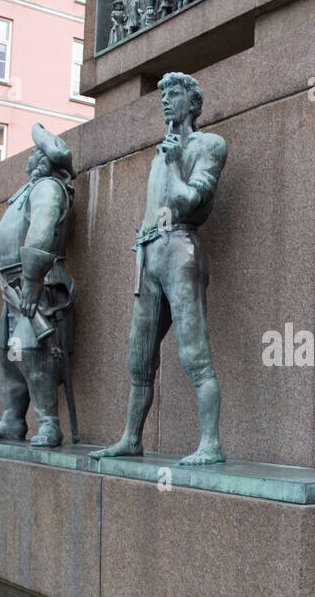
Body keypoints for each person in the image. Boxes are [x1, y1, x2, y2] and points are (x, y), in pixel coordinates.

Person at [92, 71, 226, 465]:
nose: (166, 100)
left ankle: (211, 444)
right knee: (139, 356)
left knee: (193, 352)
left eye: (174, 93)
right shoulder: (162, 149)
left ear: (193, 100)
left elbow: (189, 201)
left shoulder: (209, 145)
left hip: (181, 251)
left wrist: (171, 164)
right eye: (162, 94)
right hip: (149, 254)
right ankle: (132, 438)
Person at [0, 124, 76, 448]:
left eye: (37, 153)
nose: (31, 158)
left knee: (32, 352)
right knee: (8, 352)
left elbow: (42, 233)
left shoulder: (48, 188)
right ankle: (12, 420)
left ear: (45, 161)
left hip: (38, 283)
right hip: (12, 287)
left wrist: (32, 280)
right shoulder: (26, 191)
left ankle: (48, 423)